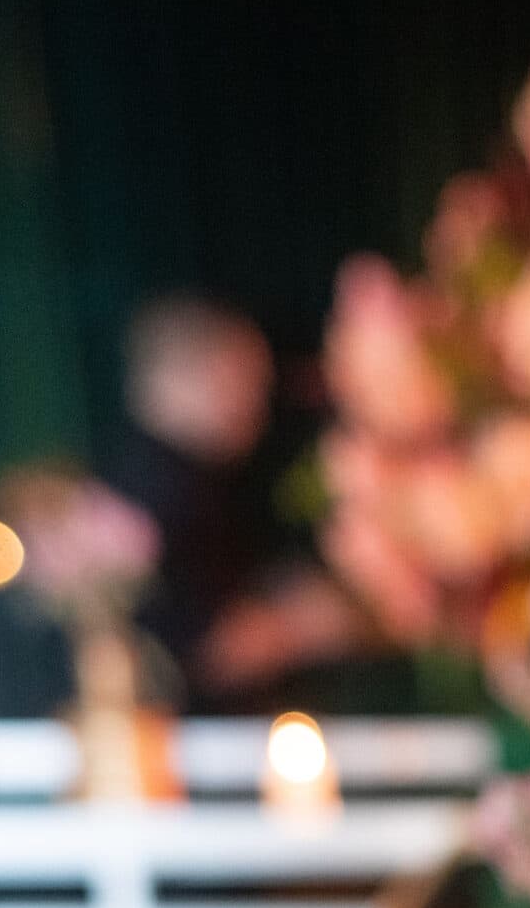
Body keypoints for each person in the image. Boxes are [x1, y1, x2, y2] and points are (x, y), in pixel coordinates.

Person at [104, 294, 357, 704]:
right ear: (178, 377)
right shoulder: (158, 497)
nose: (257, 404)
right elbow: (195, 651)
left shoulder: (189, 484)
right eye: (242, 378)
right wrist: (301, 624)